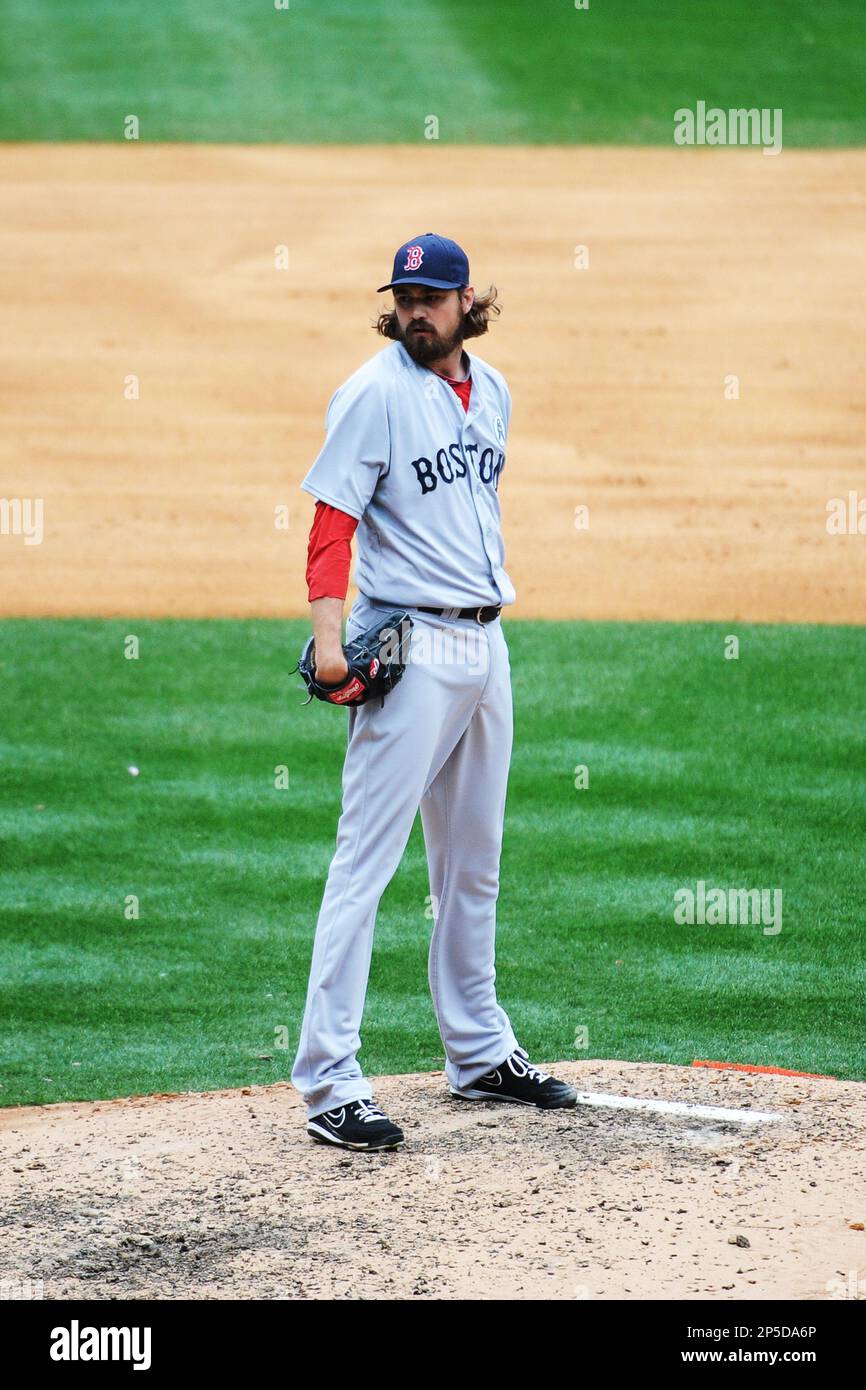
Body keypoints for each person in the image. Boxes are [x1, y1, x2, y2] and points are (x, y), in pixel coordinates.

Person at [291, 232, 577, 1150]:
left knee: (474, 864)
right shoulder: (371, 395)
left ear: (465, 306)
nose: (416, 311)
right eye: (404, 297)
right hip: (409, 649)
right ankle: (330, 1077)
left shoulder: (491, 391)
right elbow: (333, 519)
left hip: (487, 648)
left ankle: (479, 1050)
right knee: (364, 867)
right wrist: (332, 640)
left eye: (432, 298)